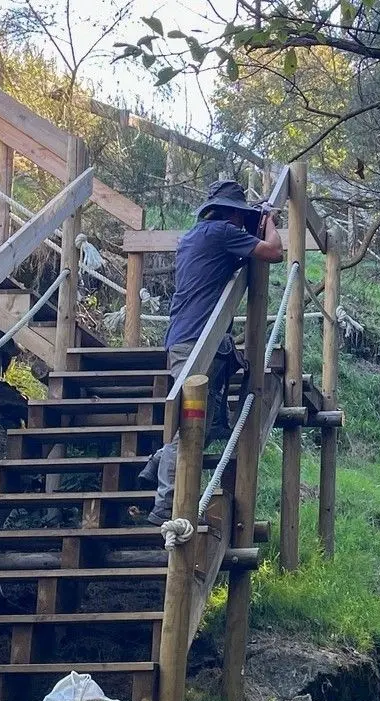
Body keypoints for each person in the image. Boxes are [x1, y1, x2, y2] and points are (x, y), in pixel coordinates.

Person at [140, 179, 284, 524]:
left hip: (187, 340)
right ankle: (166, 505)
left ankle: (160, 461)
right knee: (194, 428)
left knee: (206, 425)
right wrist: (269, 222)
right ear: (233, 215)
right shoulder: (221, 233)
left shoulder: (198, 235)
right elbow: (274, 252)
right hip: (196, 345)